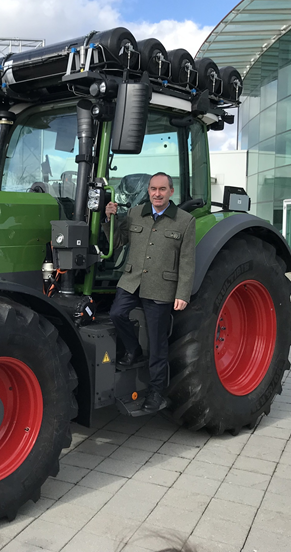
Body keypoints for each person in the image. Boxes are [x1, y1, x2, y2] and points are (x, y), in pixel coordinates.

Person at [104, 172, 195, 413]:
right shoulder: (136, 213)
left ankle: (155, 393)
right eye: (153, 189)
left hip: (161, 287)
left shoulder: (185, 221)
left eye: (162, 189)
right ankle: (133, 350)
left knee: (157, 344)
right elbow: (118, 240)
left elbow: (187, 261)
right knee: (117, 314)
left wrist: (182, 294)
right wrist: (109, 219)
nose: (157, 193)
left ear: (170, 192)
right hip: (132, 280)